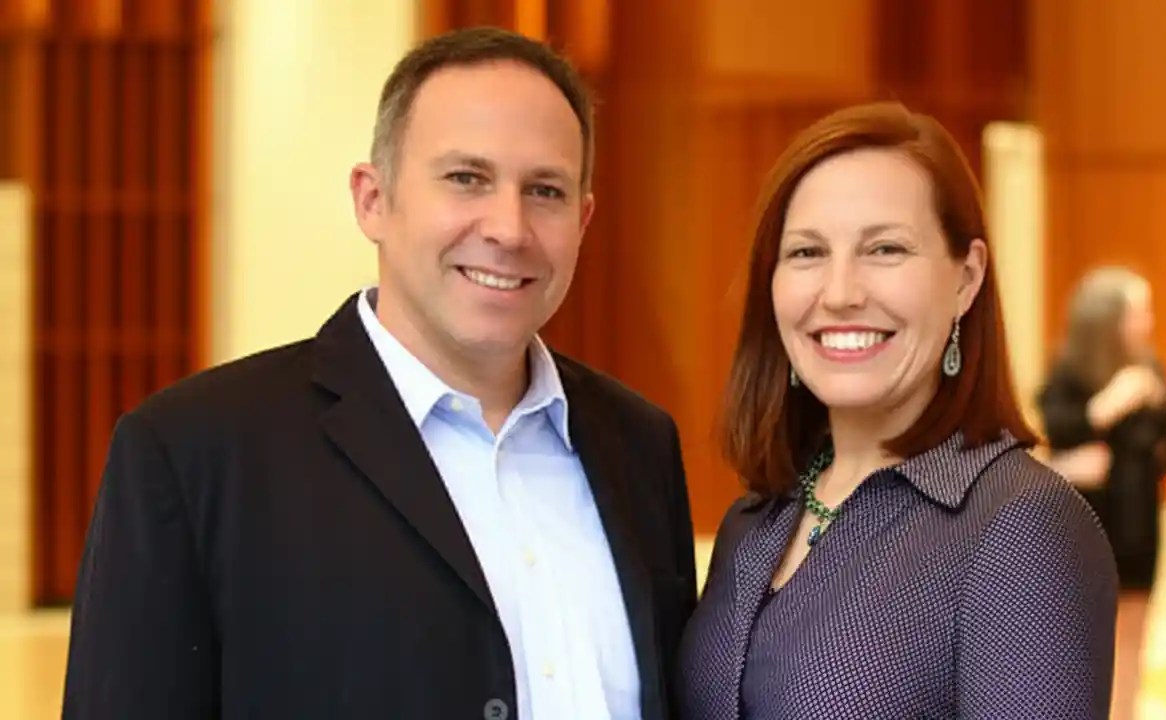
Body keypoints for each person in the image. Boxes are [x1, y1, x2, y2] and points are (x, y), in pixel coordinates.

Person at [62, 27, 697, 719]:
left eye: (545, 190)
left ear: (584, 220)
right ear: (373, 199)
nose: (509, 228)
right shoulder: (194, 453)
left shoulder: (640, 447)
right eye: (466, 178)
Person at [676, 102, 1117, 719]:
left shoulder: (1022, 526)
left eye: (885, 249)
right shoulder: (755, 522)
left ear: (966, 278)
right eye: (806, 253)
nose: (840, 293)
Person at [1037, 267, 1166, 720]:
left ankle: (1126, 712)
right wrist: (1111, 403)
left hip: (1139, 520)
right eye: (1139, 311)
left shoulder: (1150, 369)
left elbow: (1162, 446)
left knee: (1134, 629)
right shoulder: (1069, 371)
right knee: (1084, 632)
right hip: (1088, 520)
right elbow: (1058, 430)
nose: (1148, 321)